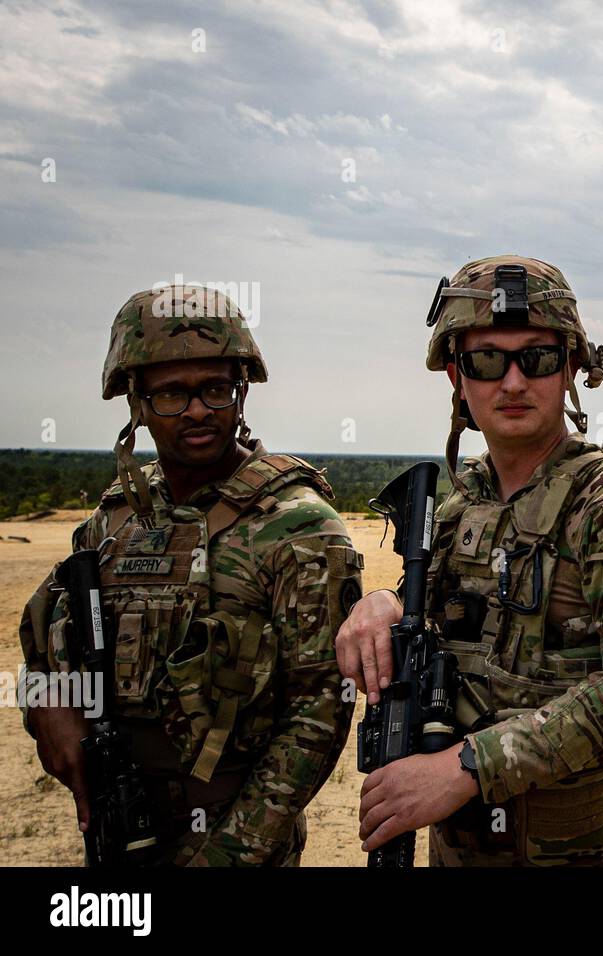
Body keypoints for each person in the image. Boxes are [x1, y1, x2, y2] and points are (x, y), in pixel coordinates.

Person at [338, 255, 603, 865]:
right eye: (488, 360)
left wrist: (470, 767)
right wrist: (383, 605)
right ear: (456, 376)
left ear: (571, 368)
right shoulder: (461, 506)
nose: (513, 382)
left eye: (538, 359)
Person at [19, 283, 360, 865]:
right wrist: (45, 700)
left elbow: (319, 711)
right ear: (138, 404)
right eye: (172, 393)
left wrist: (228, 854)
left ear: (241, 392)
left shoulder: (298, 525)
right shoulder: (114, 520)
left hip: (236, 835)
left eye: (215, 389)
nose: (198, 409)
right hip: (117, 824)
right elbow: (47, 646)